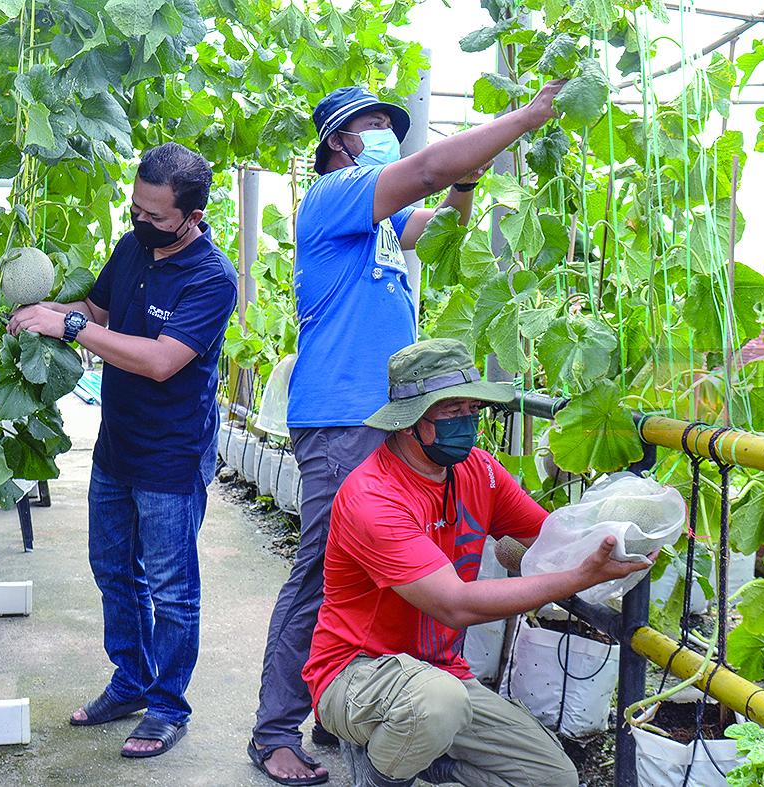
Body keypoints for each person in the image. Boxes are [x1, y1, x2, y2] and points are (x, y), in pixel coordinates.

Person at [250, 79, 566, 786]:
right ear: (337, 143)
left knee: (391, 574)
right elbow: (425, 171)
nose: (388, 135)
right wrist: (529, 116)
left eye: (391, 126)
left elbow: (442, 225)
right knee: (320, 575)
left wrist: (467, 183)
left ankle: (366, 711)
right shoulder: (333, 194)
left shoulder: (382, 226)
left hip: (394, 414)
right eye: (371, 126)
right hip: (344, 413)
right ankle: (274, 730)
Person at [300, 338, 652, 787]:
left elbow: (551, 537)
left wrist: (625, 531)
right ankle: (381, 772)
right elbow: (455, 605)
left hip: (441, 675)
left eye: (472, 409)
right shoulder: (373, 496)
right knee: (436, 704)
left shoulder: (479, 471)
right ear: (409, 423)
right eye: (451, 412)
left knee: (552, 778)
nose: (466, 422)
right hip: (356, 673)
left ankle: (427, 759)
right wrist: (576, 578)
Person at [8, 142, 238, 758]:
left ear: (192, 215)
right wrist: (45, 311)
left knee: (171, 588)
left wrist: (73, 328)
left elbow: (162, 361)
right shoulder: (134, 246)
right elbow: (97, 309)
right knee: (113, 571)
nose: (141, 220)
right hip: (117, 445)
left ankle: (167, 707)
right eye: (136, 207)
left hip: (171, 454)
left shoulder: (212, 278)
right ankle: (131, 682)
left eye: (155, 215)